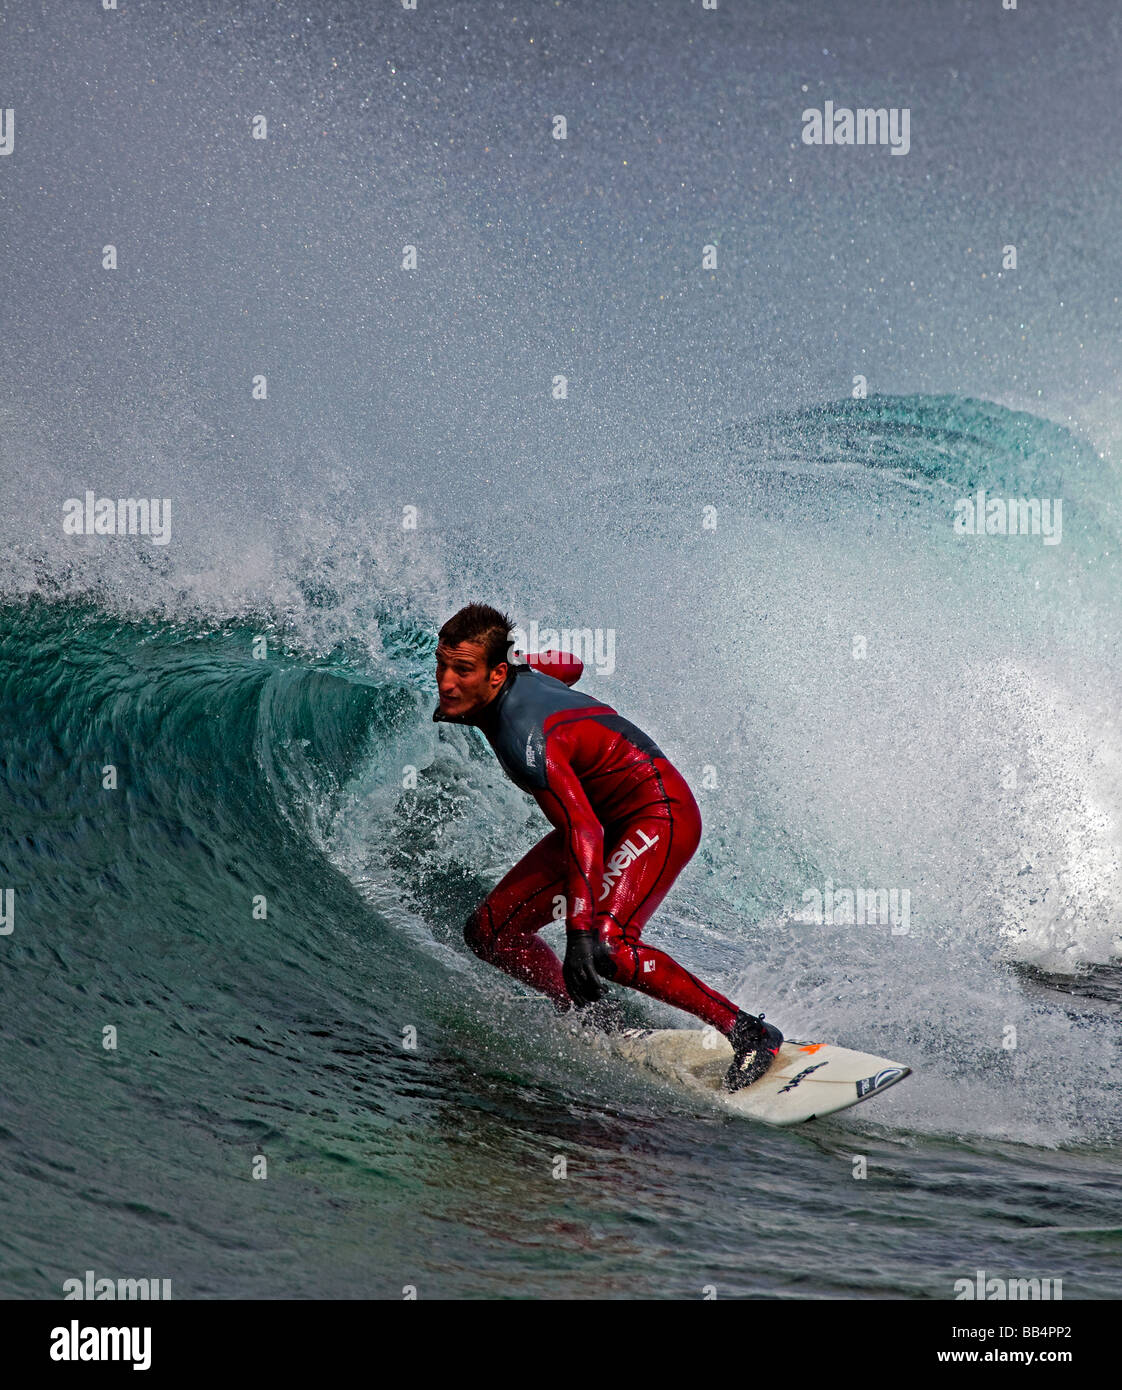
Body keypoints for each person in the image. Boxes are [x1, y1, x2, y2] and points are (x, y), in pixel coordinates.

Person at [432, 602, 783, 1091]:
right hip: (600, 817)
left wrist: (577, 937)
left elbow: (584, 833)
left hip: (656, 813)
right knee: (490, 932)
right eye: (442, 665)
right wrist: (519, 669)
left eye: (462, 671)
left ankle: (751, 1032)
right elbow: (570, 666)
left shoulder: (523, 740)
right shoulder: (516, 674)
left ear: (495, 675)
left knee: (607, 948)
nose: (445, 682)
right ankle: (591, 1014)